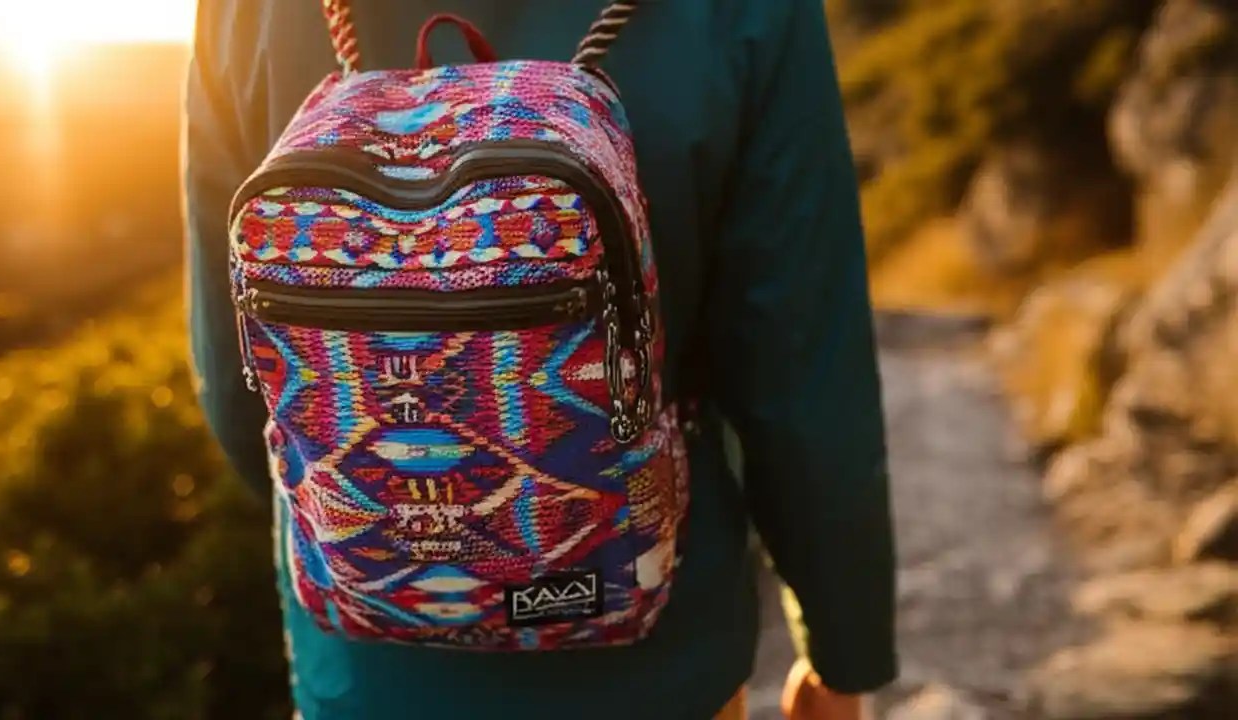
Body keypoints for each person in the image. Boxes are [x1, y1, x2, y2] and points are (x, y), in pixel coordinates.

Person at [183, 1, 897, 718]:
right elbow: (804, 378)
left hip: (366, 672)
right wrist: (841, 651)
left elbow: (237, 392)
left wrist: (390, 535)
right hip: (657, 670)